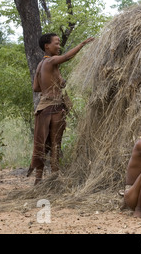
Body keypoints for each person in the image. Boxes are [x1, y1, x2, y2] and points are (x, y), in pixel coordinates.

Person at [27, 33, 95, 185]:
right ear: (47, 46)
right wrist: (82, 44)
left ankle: (38, 180)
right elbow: (67, 57)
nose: (59, 46)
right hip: (54, 108)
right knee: (55, 144)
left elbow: (36, 87)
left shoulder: (40, 65)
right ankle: (55, 178)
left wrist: (52, 84)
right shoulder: (51, 61)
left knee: (41, 144)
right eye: (56, 43)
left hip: (42, 108)